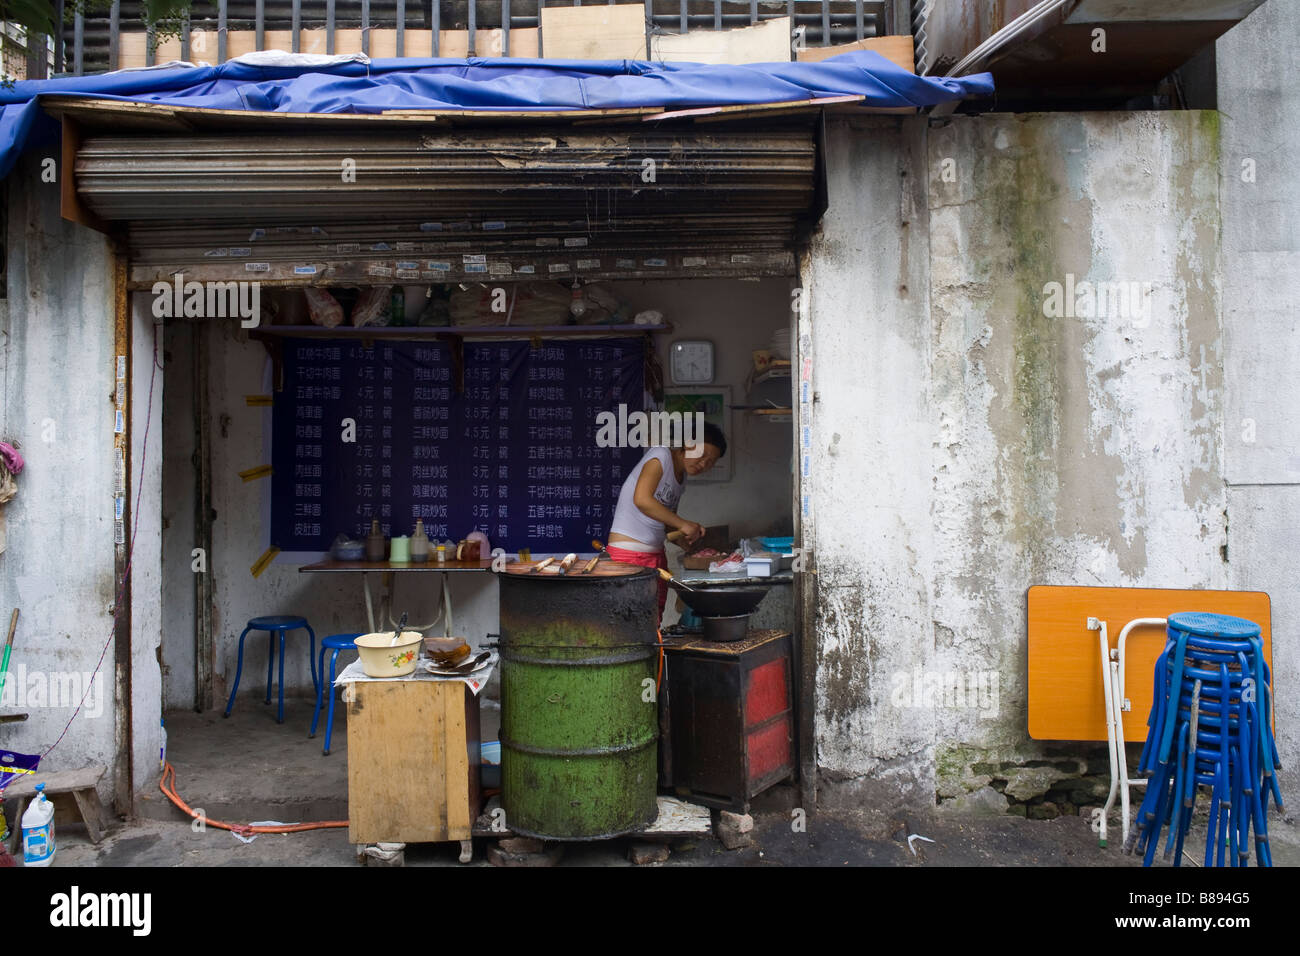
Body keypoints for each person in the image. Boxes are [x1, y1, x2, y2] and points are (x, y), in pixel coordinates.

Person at [606, 422, 727, 621]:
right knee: (625, 623)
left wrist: (680, 538)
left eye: (711, 461)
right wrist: (683, 524)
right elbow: (642, 500)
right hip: (627, 555)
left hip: (654, 556)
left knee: (651, 622)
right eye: (702, 454)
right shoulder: (661, 455)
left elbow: (664, 520)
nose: (704, 464)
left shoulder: (682, 478)